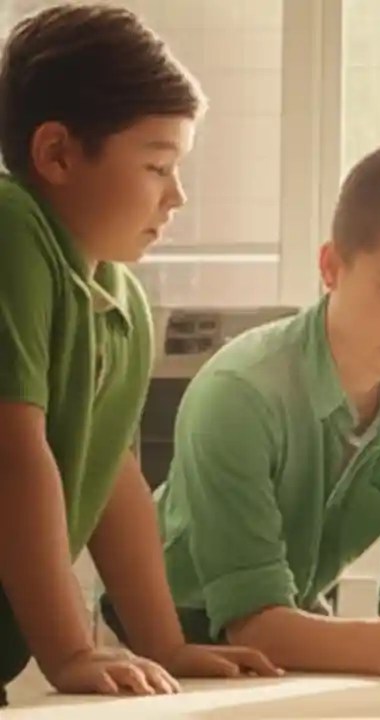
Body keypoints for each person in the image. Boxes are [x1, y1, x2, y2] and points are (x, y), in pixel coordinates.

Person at [0, 3, 278, 705]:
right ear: (56, 154)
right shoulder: (12, 230)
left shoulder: (119, 302)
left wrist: (166, 645)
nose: (176, 196)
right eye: (157, 165)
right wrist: (70, 651)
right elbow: (10, 452)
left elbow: (114, 479)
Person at [126, 142, 380, 678]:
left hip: (292, 631)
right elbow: (250, 623)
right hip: (161, 640)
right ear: (331, 267)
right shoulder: (239, 392)